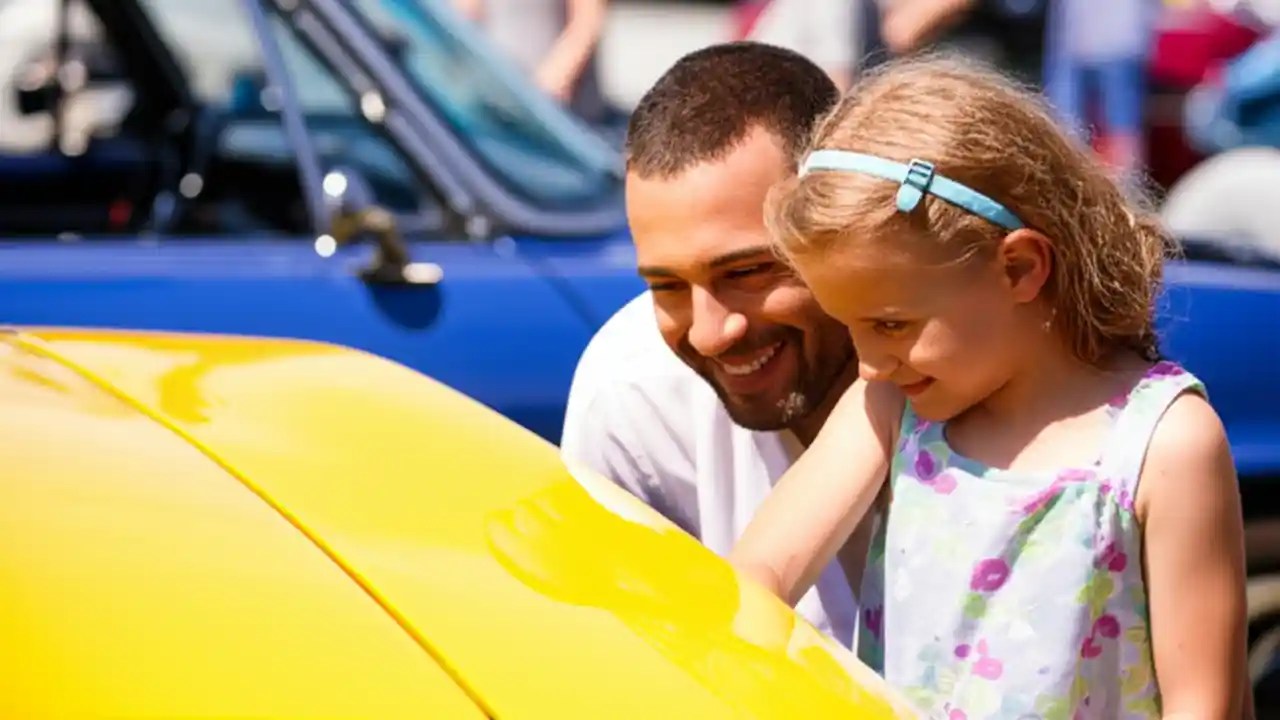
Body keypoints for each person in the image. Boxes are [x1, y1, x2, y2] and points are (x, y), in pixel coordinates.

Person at [730, 56, 1250, 717]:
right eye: (850, 329)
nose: (866, 364)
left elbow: (1205, 704)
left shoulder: (1163, 443)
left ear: (1020, 268)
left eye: (891, 323)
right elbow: (759, 574)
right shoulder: (892, 407)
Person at [560, 42, 875, 649]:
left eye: (747, 272)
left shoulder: (970, 352)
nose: (711, 331)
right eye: (668, 286)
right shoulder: (630, 393)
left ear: (842, 219)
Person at [452, 0, 613, 125]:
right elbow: (466, 18)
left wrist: (542, 92)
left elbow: (587, 23)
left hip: (558, 111)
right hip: (497, 105)